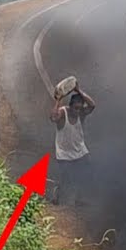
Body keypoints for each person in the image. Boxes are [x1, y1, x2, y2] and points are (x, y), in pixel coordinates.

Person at [49, 76, 96, 204]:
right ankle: (56, 196)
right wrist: (58, 100)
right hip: (64, 152)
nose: (78, 110)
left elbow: (92, 105)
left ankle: (79, 198)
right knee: (64, 178)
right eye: (76, 108)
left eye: (80, 108)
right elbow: (53, 117)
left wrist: (79, 90)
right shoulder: (63, 113)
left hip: (80, 150)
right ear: (70, 106)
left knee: (86, 172)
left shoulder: (81, 114)